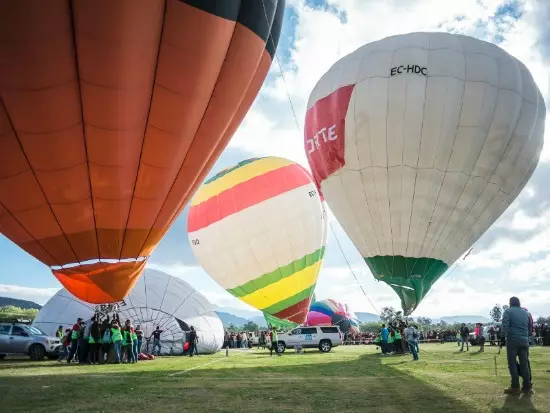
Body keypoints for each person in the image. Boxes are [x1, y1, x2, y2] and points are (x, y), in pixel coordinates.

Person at [502, 297, 532, 394]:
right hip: (525, 340)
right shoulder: (526, 313)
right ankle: (527, 386)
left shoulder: (508, 311)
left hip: (512, 340)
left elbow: (505, 325)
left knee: (512, 363)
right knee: (524, 364)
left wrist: (503, 337)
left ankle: (515, 387)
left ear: (510, 303)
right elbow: (530, 327)